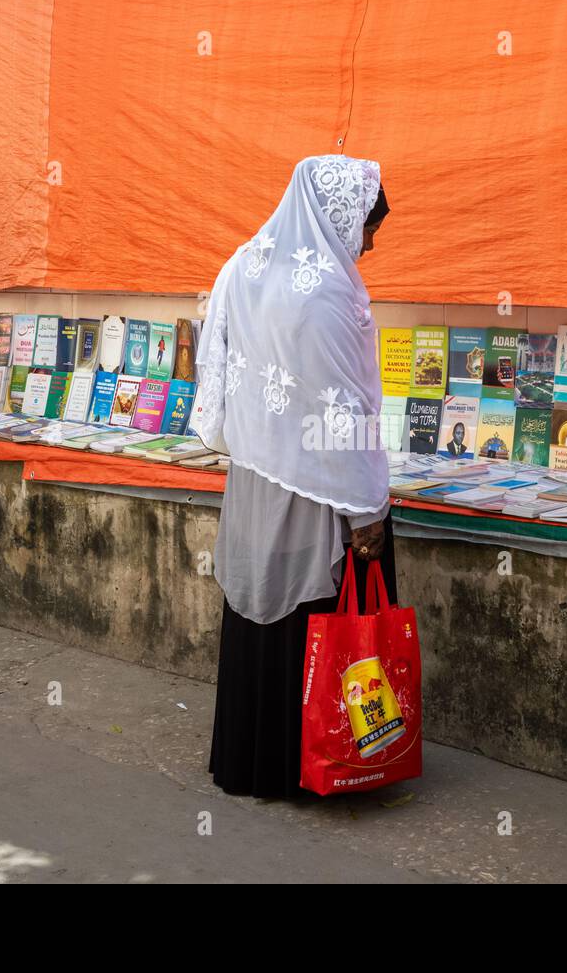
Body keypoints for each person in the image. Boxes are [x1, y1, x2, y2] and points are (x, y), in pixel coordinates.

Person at [193, 154, 393, 798]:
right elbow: (349, 409)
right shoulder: (331, 289)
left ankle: (253, 760)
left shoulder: (244, 266)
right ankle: (317, 763)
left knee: (259, 619)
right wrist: (367, 510)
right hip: (317, 487)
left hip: (256, 476)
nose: (367, 244)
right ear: (337, 218)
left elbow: (217, 368)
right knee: (314, 613)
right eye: (366, 228)